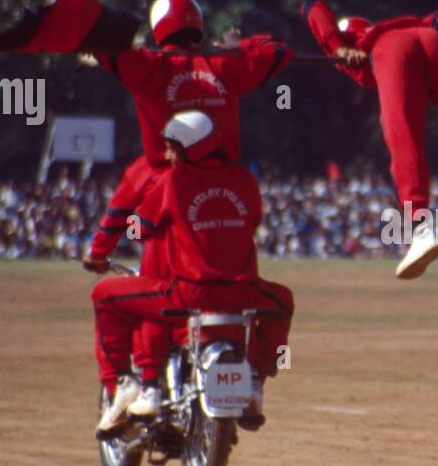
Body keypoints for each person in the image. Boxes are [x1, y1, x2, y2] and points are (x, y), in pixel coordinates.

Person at [92, 110, 294, 436]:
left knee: (103, 296)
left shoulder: (172, 181)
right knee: (283, 301)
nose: (169, 155)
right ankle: (257, 377)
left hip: (190, 293)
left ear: (191, 148)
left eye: (173, 148)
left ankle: (124, 382)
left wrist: (121, 233)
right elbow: (253, 221)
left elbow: (139, 229)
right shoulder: (244, 179)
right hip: (244, 293)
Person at [301, 0, 438, 278]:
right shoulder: (416, 24)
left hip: (393, 52)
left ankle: (421, 228)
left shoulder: (357, 46)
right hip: (433, 42)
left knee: (404, 142)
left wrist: (338, 46)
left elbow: (311, 6)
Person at [98, 0, 292, 168]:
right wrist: (242, 45)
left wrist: (129, 44)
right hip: (224, 183)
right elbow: (279, 51)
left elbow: (99, 42)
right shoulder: (225, 66)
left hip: (169, 184)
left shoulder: (148, 66)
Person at [80, 155, 168, 417]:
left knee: (108, 297)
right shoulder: (236, 174)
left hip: (166, 278)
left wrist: (98, 254)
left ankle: (124, 382)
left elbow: (125, 219)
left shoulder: (154, 171)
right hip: (224, 284)